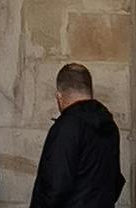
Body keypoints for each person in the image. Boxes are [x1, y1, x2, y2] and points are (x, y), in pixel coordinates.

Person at [26, 74, 117, 208]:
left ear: (59, 96)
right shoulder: (109, 124)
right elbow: (114, 180)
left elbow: (55, 186)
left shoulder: (67, 126)